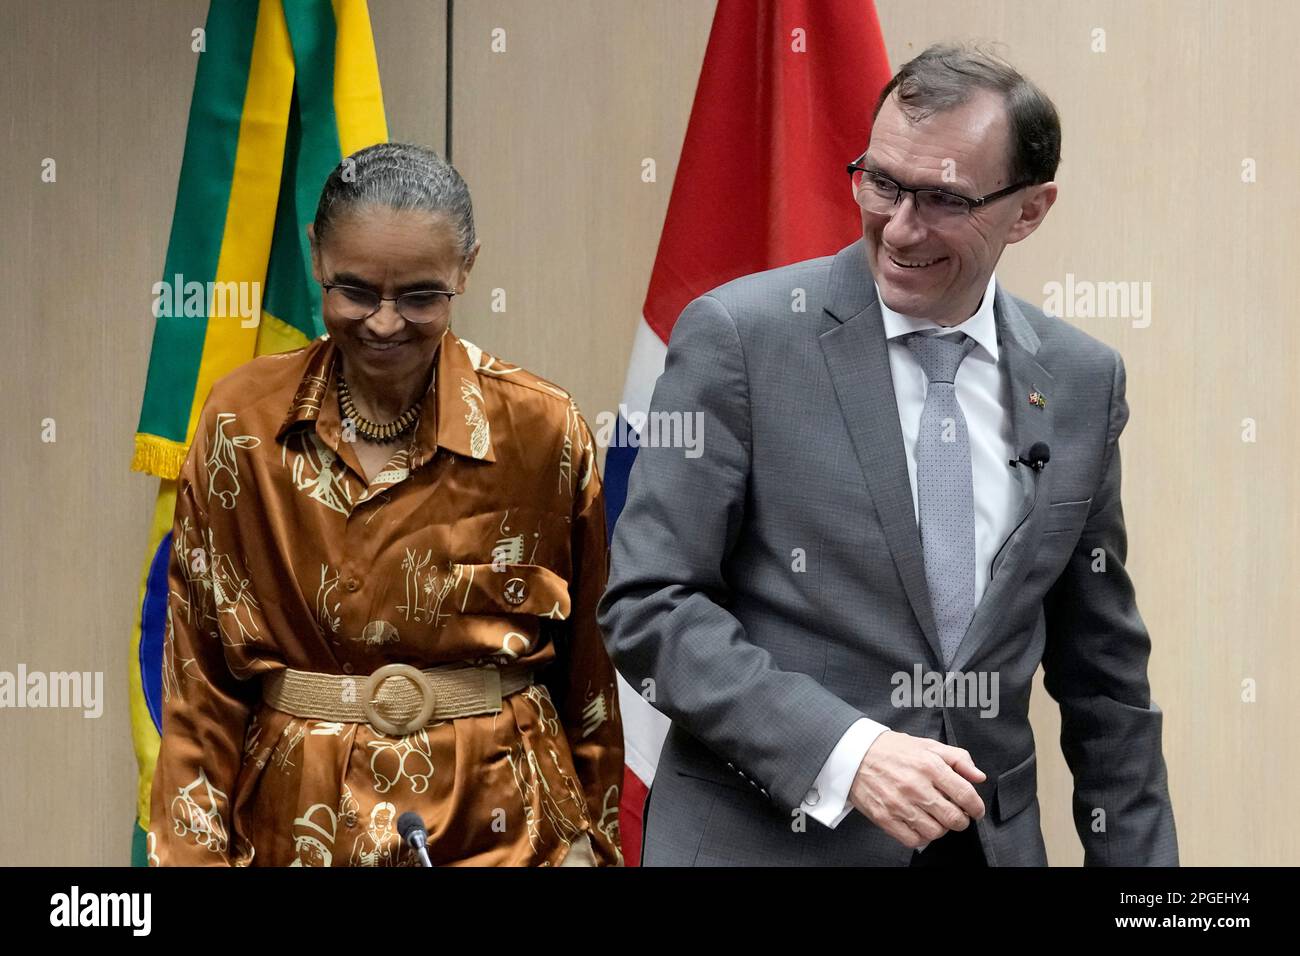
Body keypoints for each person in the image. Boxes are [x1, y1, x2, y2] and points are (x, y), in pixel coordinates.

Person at [598, 43, 1177, 866]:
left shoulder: (1082, 381)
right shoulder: (742, 340)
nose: (900, 227)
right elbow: (650, 606)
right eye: (881, 182)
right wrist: (848, 750)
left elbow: (1106, 682)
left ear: (1030, 209)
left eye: (943, 199)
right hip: (770, 839)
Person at [148, 142, 623, 867]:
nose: (384, 322)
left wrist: (596, 840)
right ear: (316, 258)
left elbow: (590, 673)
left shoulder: (541, 428)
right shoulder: (242, 423)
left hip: (507, 829)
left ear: (466, 269)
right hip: (294, 826)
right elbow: (200, 682)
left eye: (421, 296)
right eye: (357, 291)